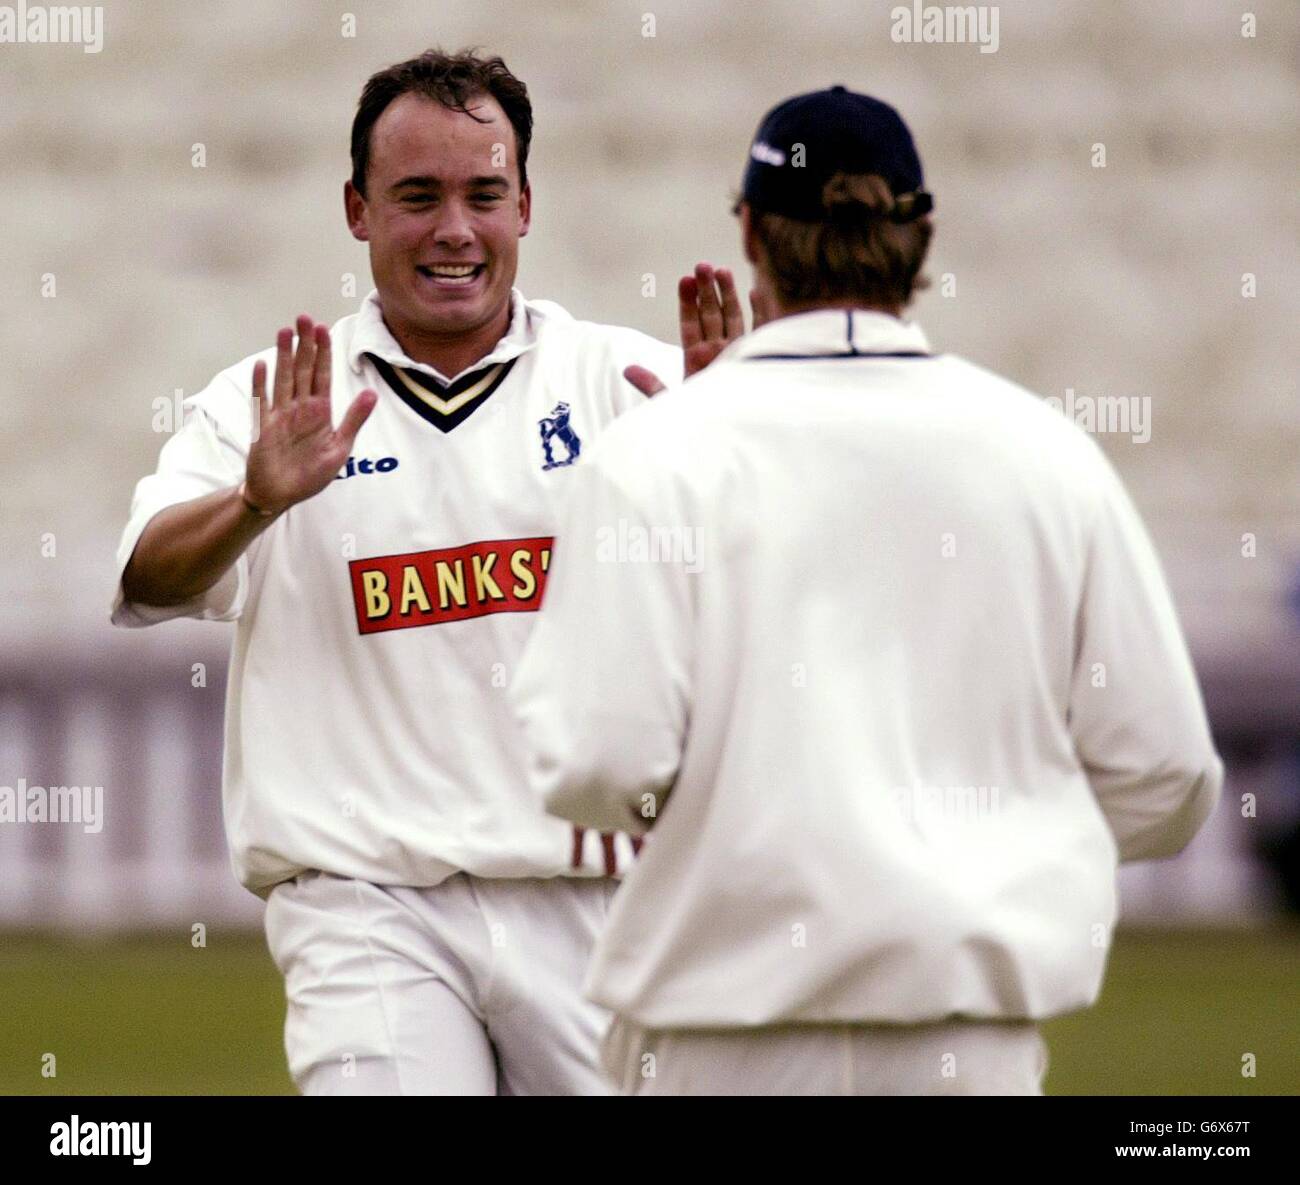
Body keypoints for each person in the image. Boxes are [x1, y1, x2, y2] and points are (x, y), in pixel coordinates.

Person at [509, 86, 1224, 1095]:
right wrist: (995, 848)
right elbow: (1166, 772)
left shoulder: (657, 457)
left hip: (729, 1037)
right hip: (966, 1039)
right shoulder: (1044, 455)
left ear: (750, 231)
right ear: (920, 234)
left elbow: (597, 761)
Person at [111, 47, 738, 1095]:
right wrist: (255, 501)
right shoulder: (272, 401)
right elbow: (149, 578)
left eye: (482, 194)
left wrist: (741, 467)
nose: (454, 229)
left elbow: (775, 596)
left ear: (526, 205)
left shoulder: (631, 385)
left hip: (593, 899)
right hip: (365, 905)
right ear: (356, 210)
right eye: (417, 197)